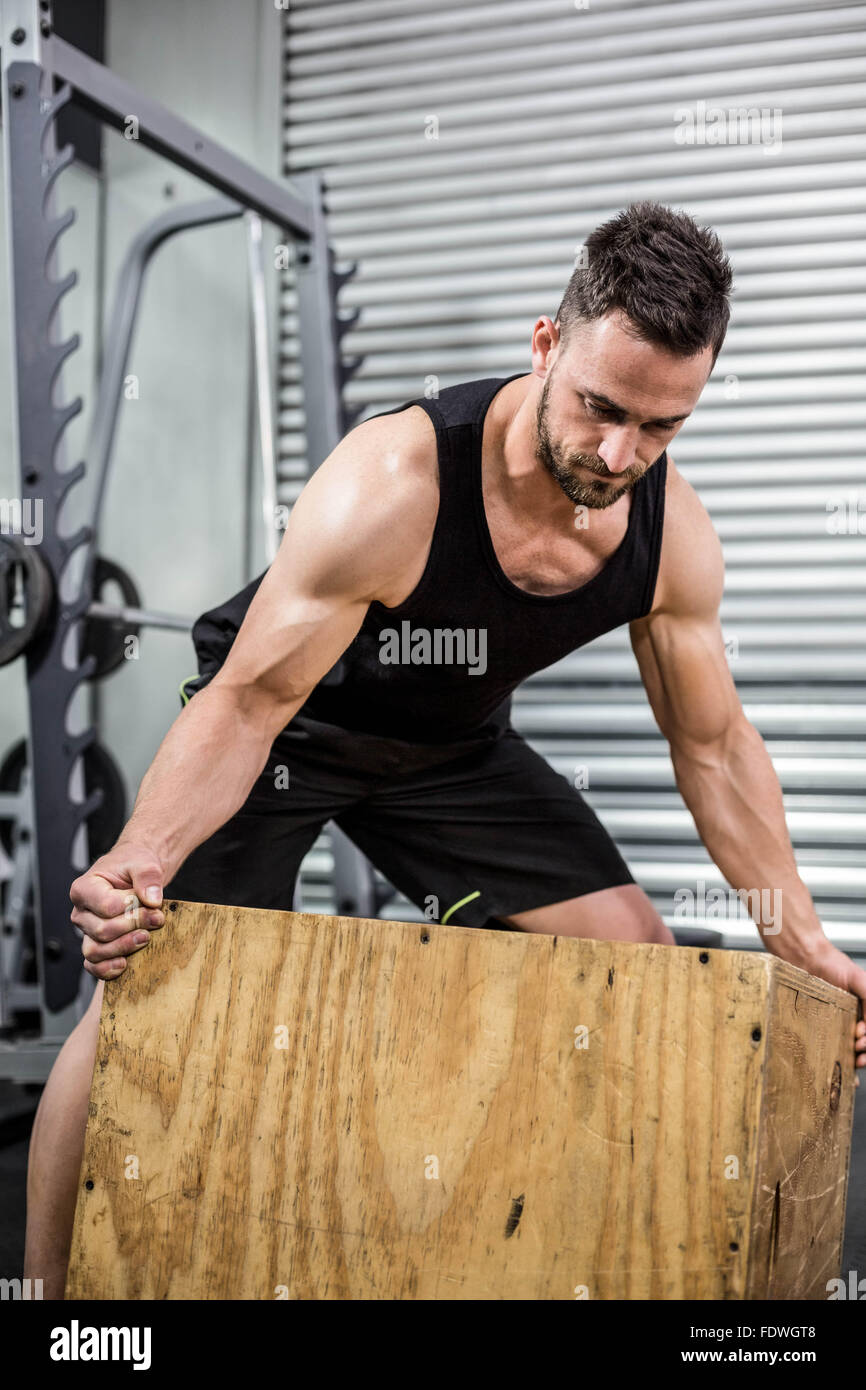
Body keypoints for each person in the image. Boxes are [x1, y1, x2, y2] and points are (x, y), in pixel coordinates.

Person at [26, 201, 866, 1297]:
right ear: (543, 344)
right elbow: (248, 700)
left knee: (637, 963)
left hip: (449, 752)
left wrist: (800, 940)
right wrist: (134, 870)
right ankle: (42, 1302)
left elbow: (709, 745)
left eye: (660, 426)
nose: (618, 454)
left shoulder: (669, 533)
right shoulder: (395, 482)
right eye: (599, 408)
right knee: (141, 990)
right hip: (291, 730)